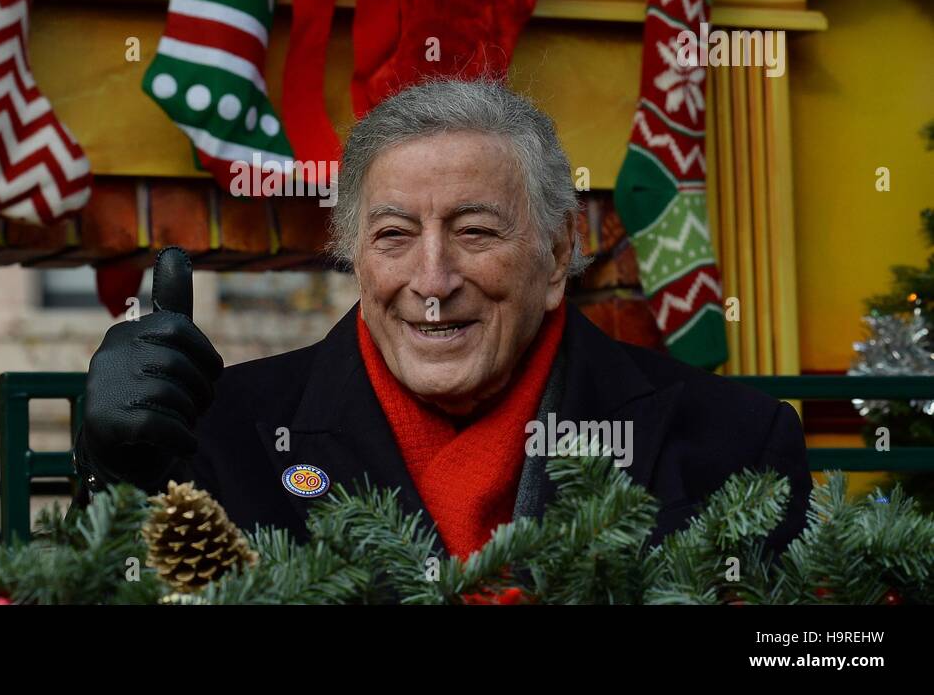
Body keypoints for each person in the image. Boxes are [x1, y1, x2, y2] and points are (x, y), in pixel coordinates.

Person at [72, 77, 811, 558]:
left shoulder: (738, 441)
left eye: (476, 231)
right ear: (355, 256)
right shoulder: (219, 431)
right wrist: (116, 472)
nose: (432, 280)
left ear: (557, 256)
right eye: (394, 235)